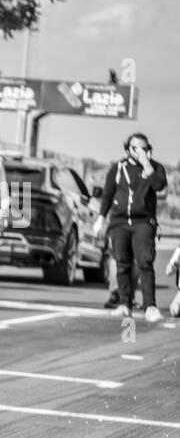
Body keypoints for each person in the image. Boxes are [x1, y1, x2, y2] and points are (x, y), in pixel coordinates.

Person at [93, 132, 167, 322]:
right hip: (120, 223)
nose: (138, 151)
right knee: (122, 263)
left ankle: (150, 306)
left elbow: (159, 186)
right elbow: (108, 193)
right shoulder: (118, 168)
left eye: (143, 147)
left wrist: (147, 164)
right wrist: (101, 219)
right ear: (127, 150)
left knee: (144, 263)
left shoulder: (155, 168)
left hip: (143, 222)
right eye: (134, 148)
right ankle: (124, 303)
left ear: (148, 149)